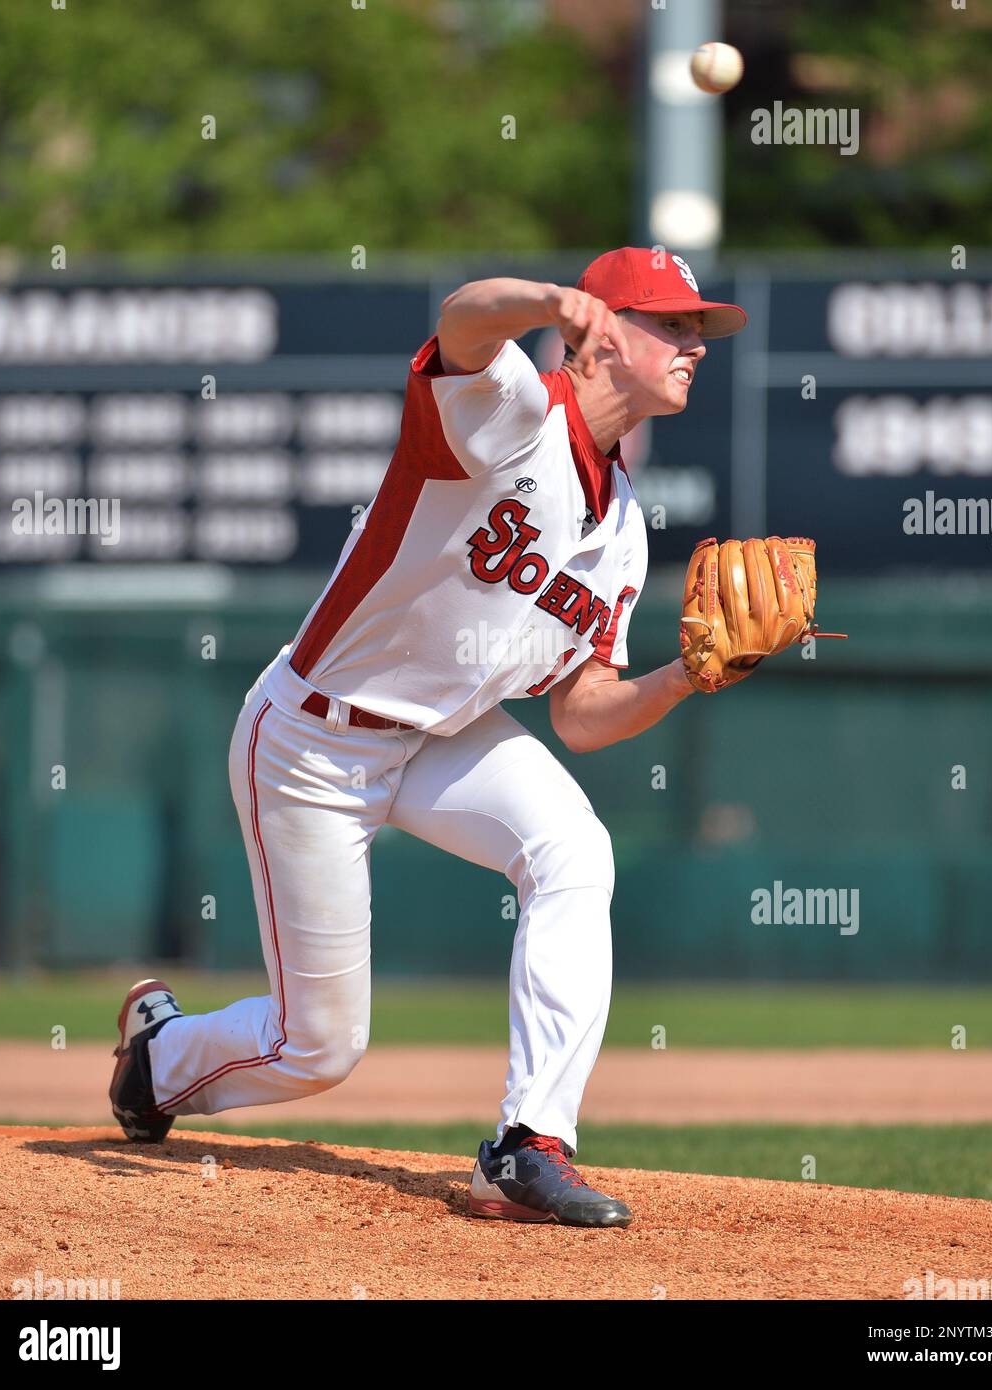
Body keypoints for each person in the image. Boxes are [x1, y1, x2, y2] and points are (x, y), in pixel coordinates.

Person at [109, 247, 748, 1228]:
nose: (693, 344)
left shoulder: (624, 527)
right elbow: (462, 321)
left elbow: (582, 712)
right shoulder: (509, 413)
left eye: (698, 329)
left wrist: (687, 676)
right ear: (604, 330)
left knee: (574, 852)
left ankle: (529, 1147)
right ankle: (159, 1061)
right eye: (671, 323)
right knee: (319, 1048)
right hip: (313, 744)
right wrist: (544, 299)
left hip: (439, 741)